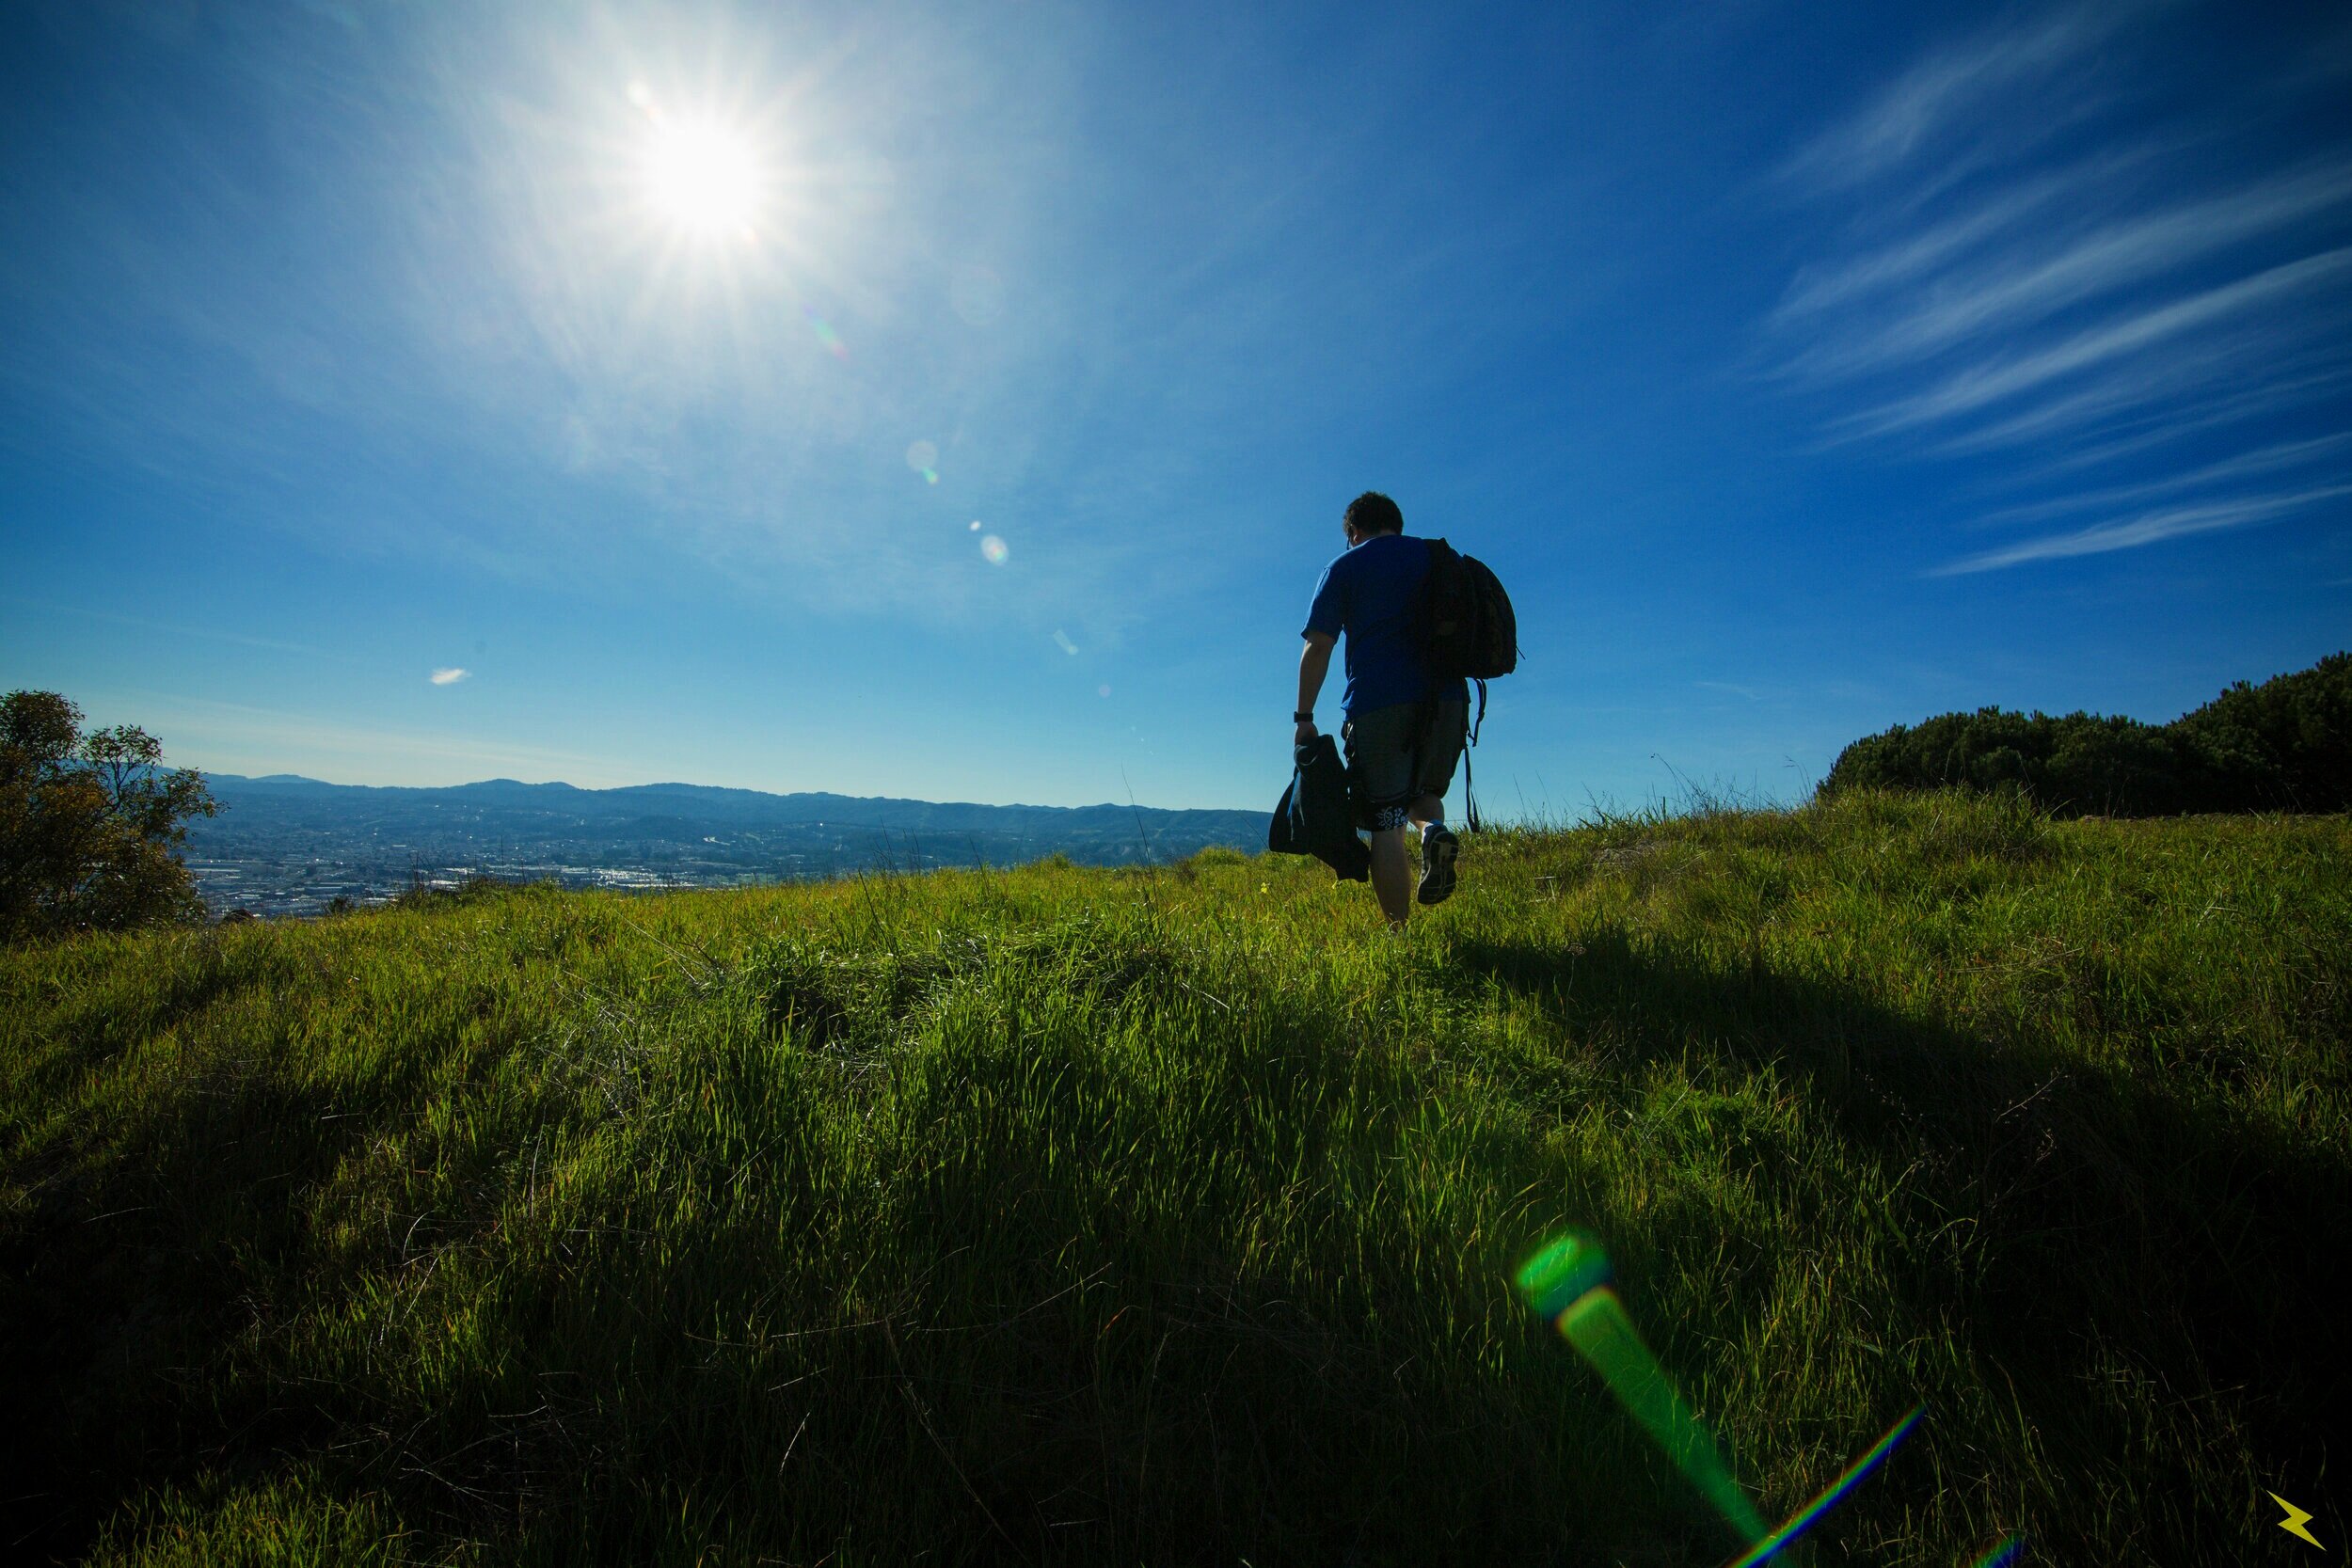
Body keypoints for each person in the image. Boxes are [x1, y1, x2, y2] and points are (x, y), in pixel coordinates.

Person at [1294, 491, 1470, 931]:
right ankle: (1431, 830)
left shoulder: (1346, 566)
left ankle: (1399, 937)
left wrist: (1304, 718)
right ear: (1397, 523)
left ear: (1353, 531)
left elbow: (1318, 646)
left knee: (1386, 824)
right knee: (1425, 795)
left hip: (1379, 704)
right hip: (1448, 700)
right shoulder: (1437, 558)